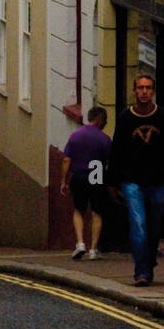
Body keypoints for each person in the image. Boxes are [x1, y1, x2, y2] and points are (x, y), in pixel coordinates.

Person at [109, 75, 164, 287]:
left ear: (153, 91)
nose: (144, 92)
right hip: (132, 181)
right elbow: (117, 150)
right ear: (134, 91)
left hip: (157, 180)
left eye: (148, 88)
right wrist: (112, 181)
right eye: (140, 88)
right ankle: (142, 272)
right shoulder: (124, 117)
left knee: (155, 225)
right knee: (138, 225)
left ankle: (148, 261)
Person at [60, 106, 112, 261]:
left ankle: (80, 243)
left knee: (78, 210)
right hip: (97, 176)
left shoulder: (75, 136)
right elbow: (110, 160)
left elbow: (66, 159)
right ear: (100, 120)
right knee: (97, 212)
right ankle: (94, 249)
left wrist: (64, 180)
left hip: (79, 176)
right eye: (105, 121)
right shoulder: (105, 139)